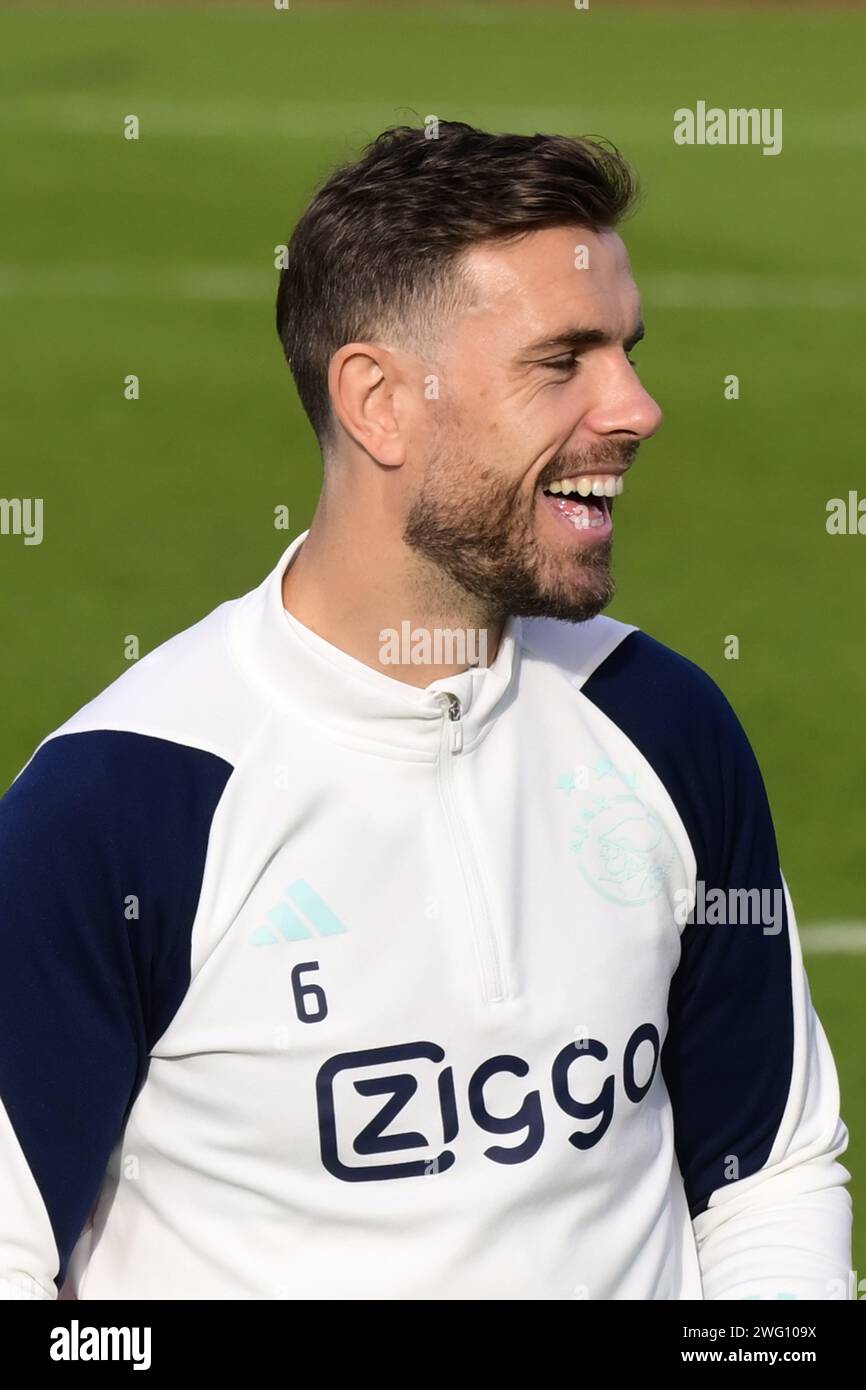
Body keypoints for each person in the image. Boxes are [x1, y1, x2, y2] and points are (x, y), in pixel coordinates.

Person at [0, 121, 852, 1300]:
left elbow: (762, 1170)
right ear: (379, 402)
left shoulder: (662, 723)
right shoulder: (122, 803)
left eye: (628, 350)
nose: (636, 407)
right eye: (563, 361)